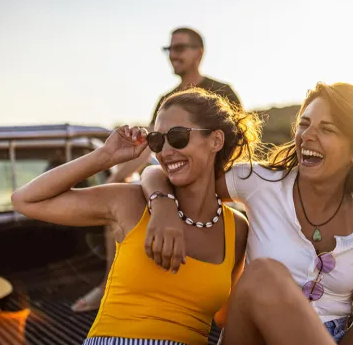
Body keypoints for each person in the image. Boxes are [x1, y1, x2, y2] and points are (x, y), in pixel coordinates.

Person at [140, 82, 353, 344]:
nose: (307, 136)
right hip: (253, 335)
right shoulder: (259, 182)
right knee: (264, 274)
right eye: (304, 124)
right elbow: (169, 174)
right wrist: (163, 206)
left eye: (326, 129)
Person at [11, 89, 256, 345]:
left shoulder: (236, 228)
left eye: (178, 137)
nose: (166, 151)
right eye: (157, 141)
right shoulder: (130, 202)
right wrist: (104, 157)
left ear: (216, 140)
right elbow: (25, 200)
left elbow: (228, 320)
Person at [71, 27, 243, 312]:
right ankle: (109, 286)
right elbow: (156, 146)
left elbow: (235, 142)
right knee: (120, 203)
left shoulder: (222, 92)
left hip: (214, 179)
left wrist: (208, 180)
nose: (173, 55)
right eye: (169, 49)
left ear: (199, 52)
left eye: (180, 48)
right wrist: (117, 174)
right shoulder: (168, 99)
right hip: (172, 179)